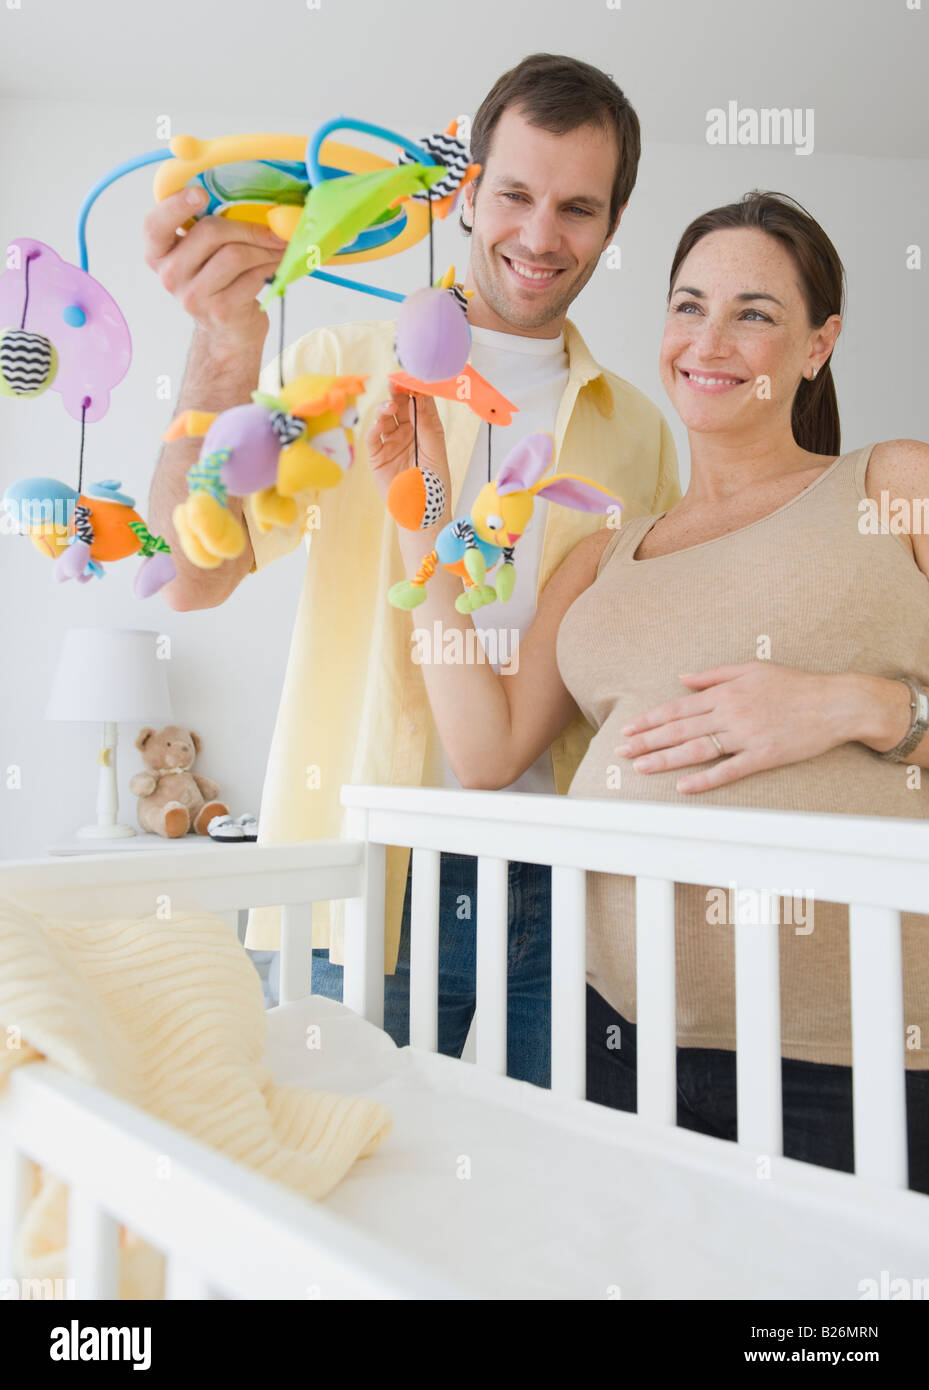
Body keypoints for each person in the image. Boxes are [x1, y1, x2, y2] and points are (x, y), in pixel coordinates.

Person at [367, 189, 929, 1189]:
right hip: (608, 1029)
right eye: (686, 305)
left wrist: (857, 706)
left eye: (753, 312)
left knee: (811, 1341)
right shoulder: (600, 555)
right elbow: (486, 751)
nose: (707, 339)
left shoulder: (891, 483)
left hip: (848, 1053)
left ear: (816, 343)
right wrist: (420, 520)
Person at [143, 53, 681, 1086]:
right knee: (323, 1177)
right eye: (515, 193)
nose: (538, 234)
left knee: (537, 1198)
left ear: (610, 229)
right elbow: (186, 576)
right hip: (359, 870)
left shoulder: (640, 435)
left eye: (577, 207)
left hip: (561, 887)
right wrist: (221, 351)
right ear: (467, 191)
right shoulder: (345, 367)